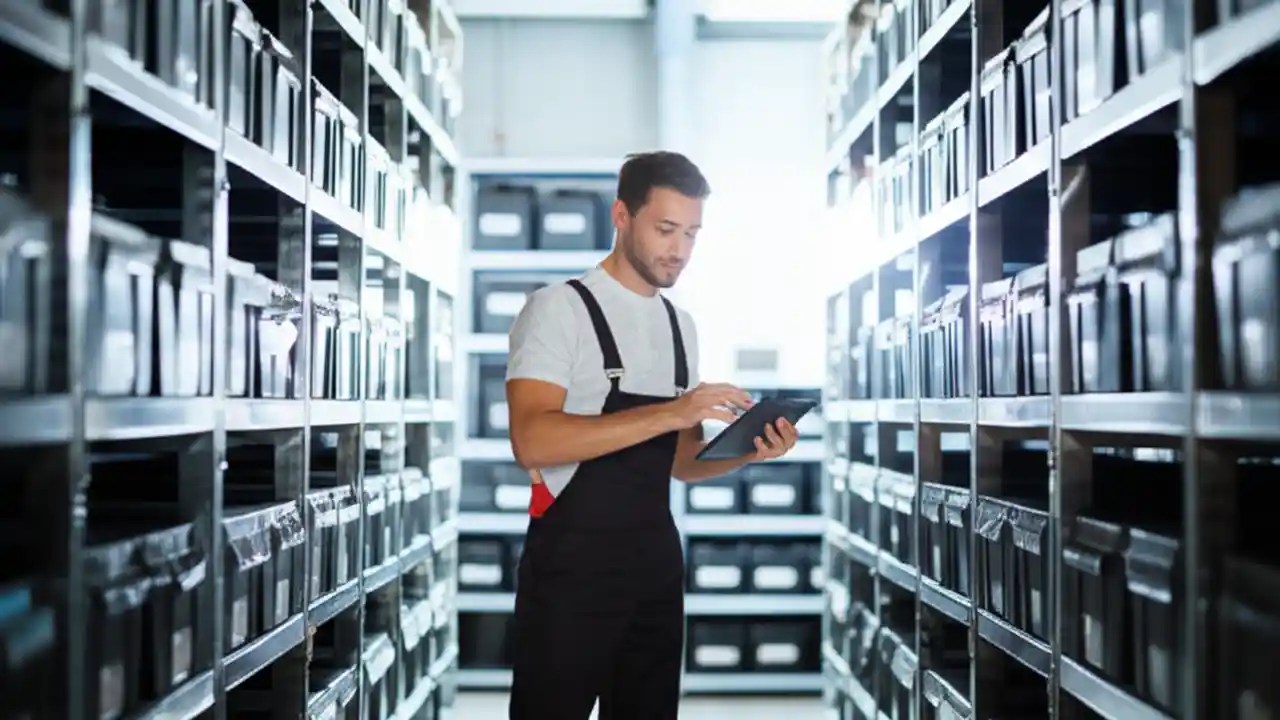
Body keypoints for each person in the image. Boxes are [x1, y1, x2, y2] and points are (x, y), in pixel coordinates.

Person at [502, 151, 800, 719]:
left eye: (692, 233)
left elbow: (682, 463)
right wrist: (673, 411)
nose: (680, 250)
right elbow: (532, 442)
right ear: (621, 215)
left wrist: (747, 451)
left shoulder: (678, 324)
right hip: (572, 569)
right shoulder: (557, 310)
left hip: (654, 564)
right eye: (666, 229)